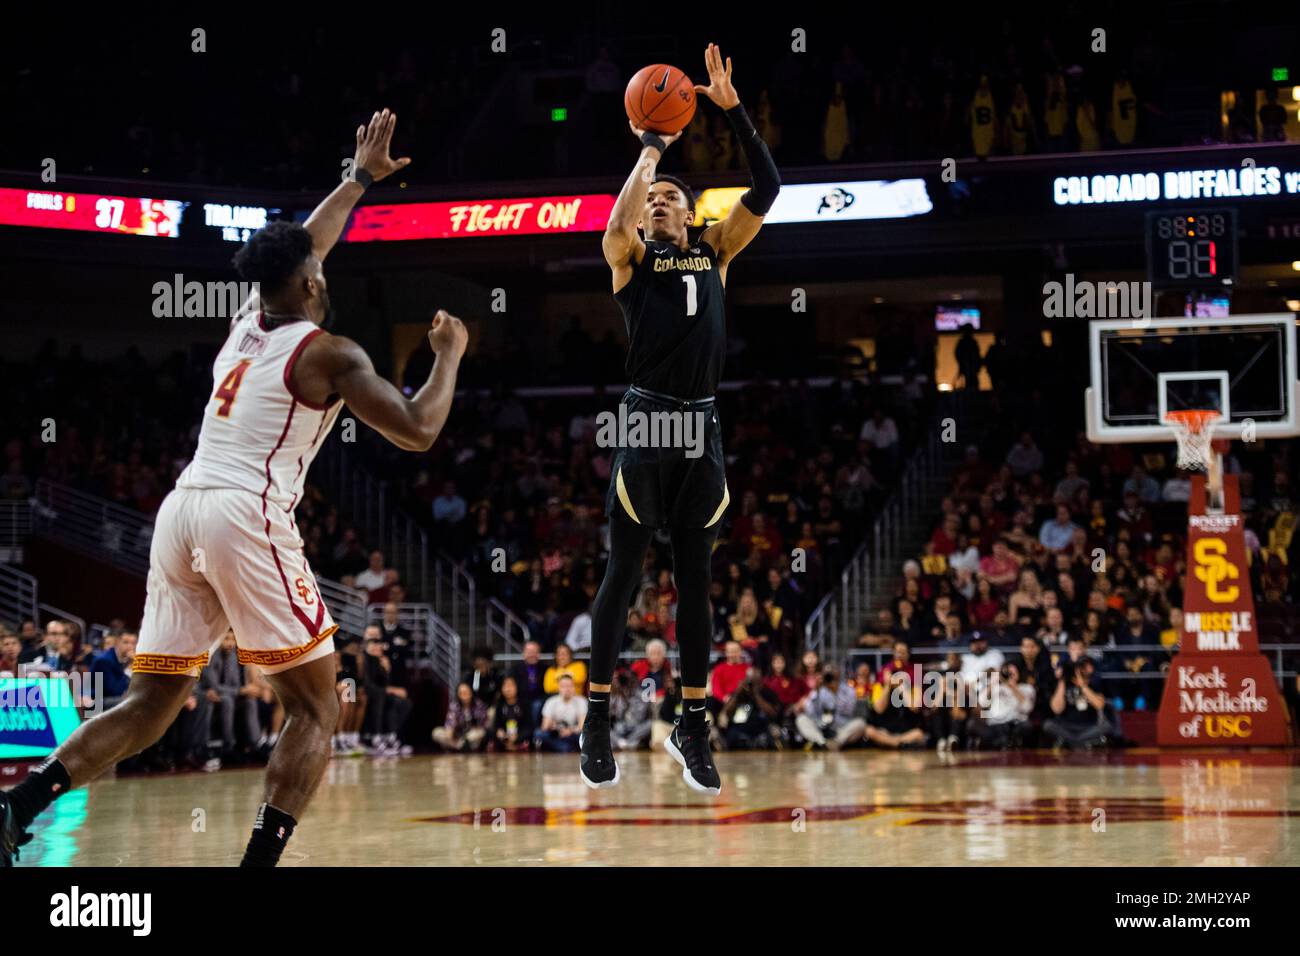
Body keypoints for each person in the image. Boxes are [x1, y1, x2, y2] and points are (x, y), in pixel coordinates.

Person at [0, 109, 470, 868]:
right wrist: (445, 355)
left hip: (181, 511)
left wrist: (357, 180)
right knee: (319, 704)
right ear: (312, 282)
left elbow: (305, 243)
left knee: (150, 702)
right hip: (242, 514)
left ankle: (16, 806)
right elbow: (417, 430)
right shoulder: (332, 353)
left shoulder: (248, 320)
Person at [579, 43, 779, 796]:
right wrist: (649, 152)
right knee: (624, 571)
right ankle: (597, 718)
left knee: (695, 581)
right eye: (652, 197)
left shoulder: (718, 252)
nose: (658, 201)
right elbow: (619, 220)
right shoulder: (629, 259)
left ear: (694, 213)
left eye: (670, 196)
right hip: (647, 421)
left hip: (703, 425)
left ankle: (691, 722)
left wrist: (733, 113)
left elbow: (768, 185)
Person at [1043, 655, 1111, 750]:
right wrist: (1062, 681)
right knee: (1048, 725)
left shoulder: (1094, 683)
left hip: (1088, 727)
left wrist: (1083, 686)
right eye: (1080, 668)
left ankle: (1072, 742)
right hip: (1067, 726)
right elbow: (1056, 709)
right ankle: (1080, 742)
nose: (1083, 671)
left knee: (1106, 726)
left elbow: (1099, 705)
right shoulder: (1064, 685)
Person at [795, 667, 866, 750]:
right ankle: (822, 742)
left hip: (841, 729)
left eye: (833, 673)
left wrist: (835, 692)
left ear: (839, 674)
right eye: (828, 674)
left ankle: (835, 743)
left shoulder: (849, 690)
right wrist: (816, 690)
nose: (831, 677)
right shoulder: (820, 690)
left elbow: (848, 711)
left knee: (860, 723)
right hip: (821, 727)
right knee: (801, 719)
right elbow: (811, 711)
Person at [433, 682, 488, 753]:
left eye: (466, 692)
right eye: (461, 693)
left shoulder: (479, 705)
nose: (464, 695)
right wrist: (450, 733)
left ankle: (462, 747)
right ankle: (458, 747)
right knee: (437, 732)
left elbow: (484, 725)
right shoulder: (454, 706)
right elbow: (450, 725)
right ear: (458, 695)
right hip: (457, 737)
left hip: (471, 737)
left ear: (471, 692)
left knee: (478, 734)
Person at [540, 674, 587, 753]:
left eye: (570, 686)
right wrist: (555, 727)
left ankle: (564, 748)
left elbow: (582, 726)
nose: (567, 689)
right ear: (559, 688)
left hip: (573, 734)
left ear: (574, 687)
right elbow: (544, 727)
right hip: (557, 734)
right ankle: (566, 748)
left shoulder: (581, 701)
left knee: (584, 736)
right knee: (539, 734)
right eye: (564, 686)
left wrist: (569, 731)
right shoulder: (551, 701)